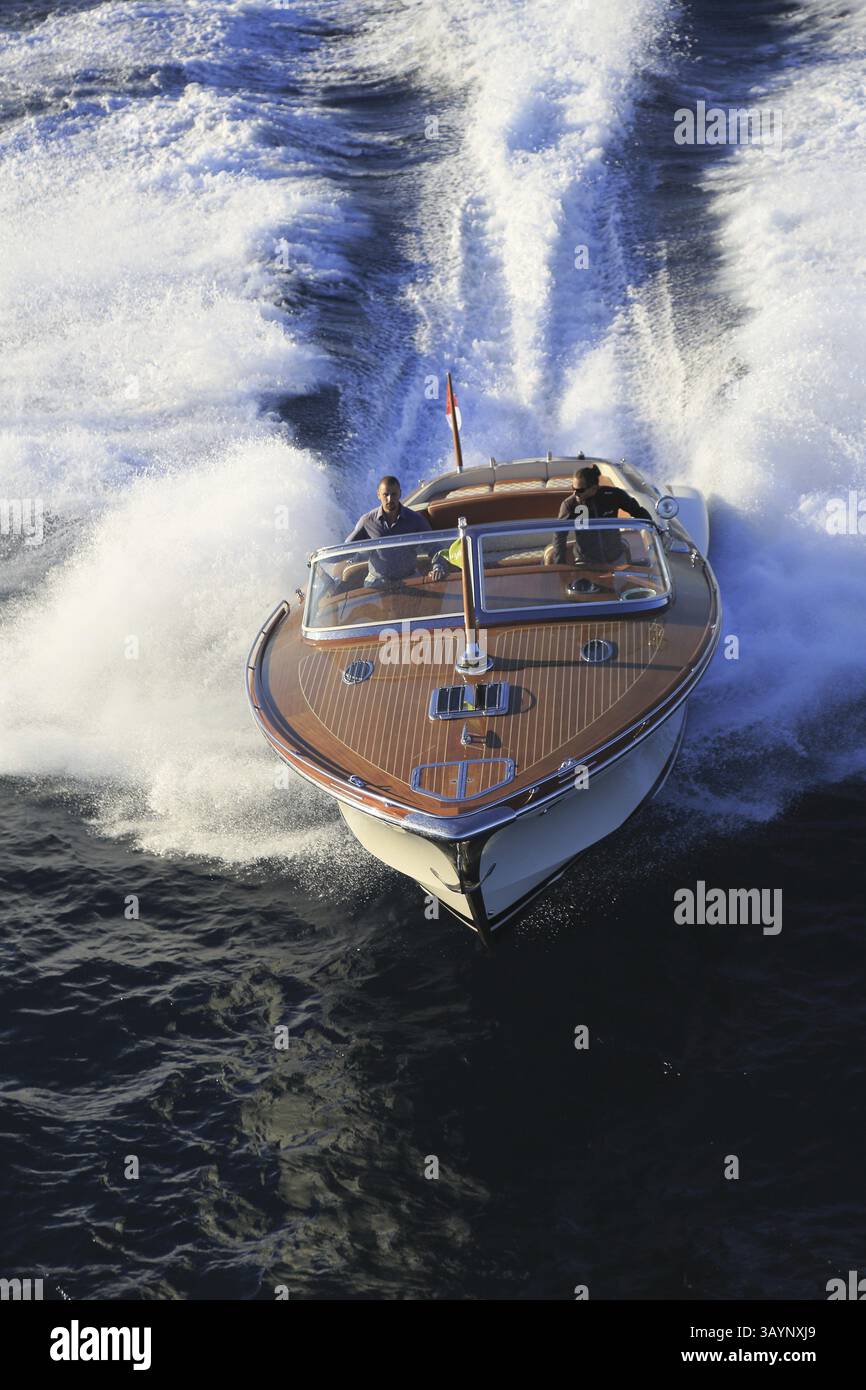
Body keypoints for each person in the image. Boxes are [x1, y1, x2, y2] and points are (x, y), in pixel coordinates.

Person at [552, 463, 650, 566]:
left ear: (594, 488)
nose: (575, 494)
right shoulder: (569, 505)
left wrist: (655, 530)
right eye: (573, 488)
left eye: (580, 490)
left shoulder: (613, 495)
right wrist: (559, 565)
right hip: (585, 562)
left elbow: (638, 511)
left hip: (616, 557)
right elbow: (559, 535)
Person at [345, 476, 431, 586]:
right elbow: (347, 548)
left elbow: (434, 547)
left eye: (394, 494)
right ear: (378, 495)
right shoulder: (367, 521)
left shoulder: (415, 519)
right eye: (386, 494)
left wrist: (438, 566)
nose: (390, 499)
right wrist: (323, 558)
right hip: (377, 582)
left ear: (400, 494)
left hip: (410, 577)